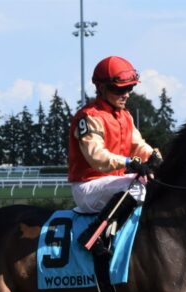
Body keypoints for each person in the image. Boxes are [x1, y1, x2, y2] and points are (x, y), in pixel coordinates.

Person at [68, 55, 162, 252]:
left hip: (113, 184)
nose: (126, 94)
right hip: (88, 187)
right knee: (139, 188)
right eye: (119, 89)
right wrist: (128, 162)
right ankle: (94, 236)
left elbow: (138, 145)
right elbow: (97, 157)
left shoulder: (125, 116)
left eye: (130, 88)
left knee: (155, 182)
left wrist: (154, 157)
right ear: (102, 88)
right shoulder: (89, 116)